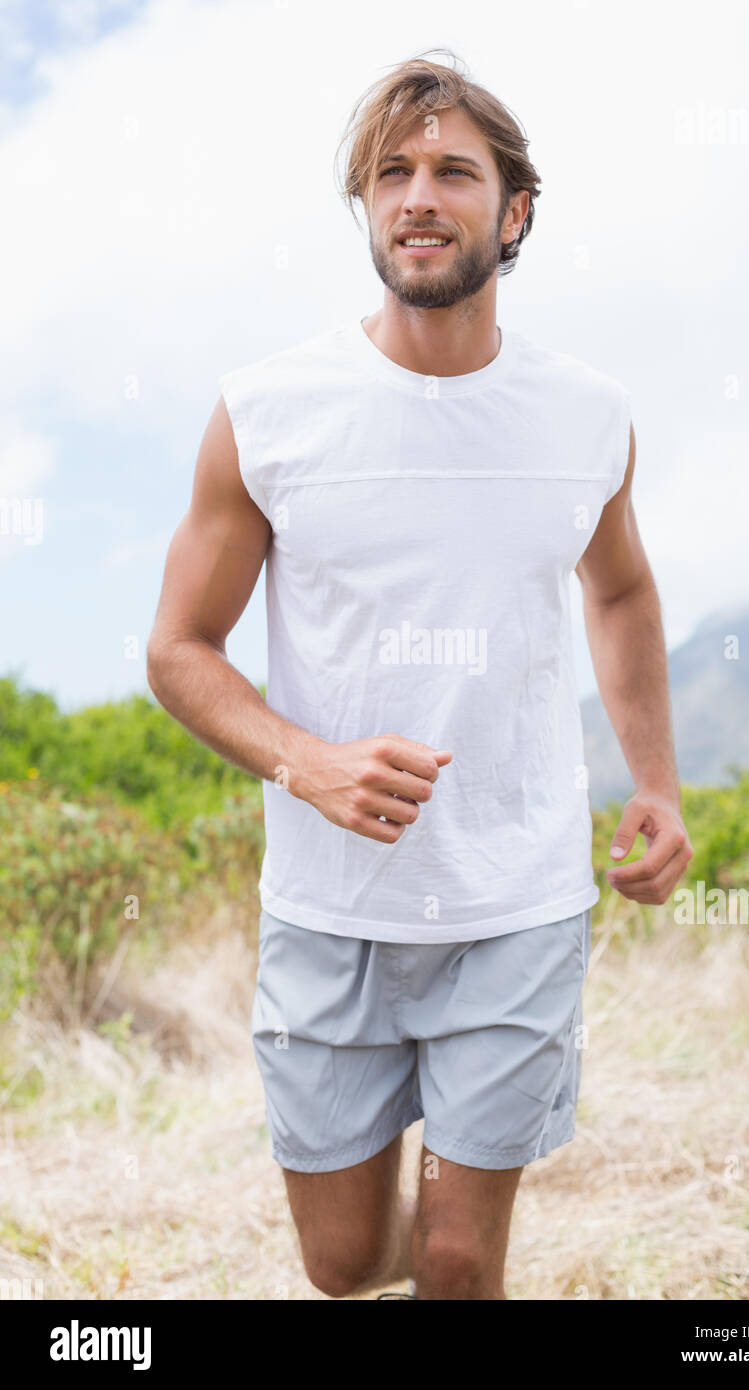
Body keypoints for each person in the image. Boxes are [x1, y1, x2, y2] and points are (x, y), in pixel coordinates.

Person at [146, 50, 693, 1301]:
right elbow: (178, 649)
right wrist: (310, 762)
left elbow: (616, 588)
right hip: (329, 911)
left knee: (455, 1257)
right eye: (389, 172)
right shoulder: (269, 412)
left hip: (516, 895)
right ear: (366, 209)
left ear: (513, 212)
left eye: (453, 169)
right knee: (345, 1265)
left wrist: (655, 782)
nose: (416, 195)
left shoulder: (584, 414)